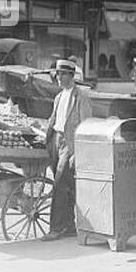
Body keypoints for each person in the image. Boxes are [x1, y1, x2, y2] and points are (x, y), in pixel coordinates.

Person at [41, 58, 94, 241]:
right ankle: (70, 226)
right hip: (56, 140)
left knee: (59, 185)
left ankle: (55, 228)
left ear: (71, 75)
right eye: (57, 73)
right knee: (68, 186)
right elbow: (53, 120)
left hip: (69, 145)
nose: (58, 77)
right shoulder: (59, 97)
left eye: (62, 74)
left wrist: (77, 153)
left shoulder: (81, 96)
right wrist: (43, 136)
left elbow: (86, 126)